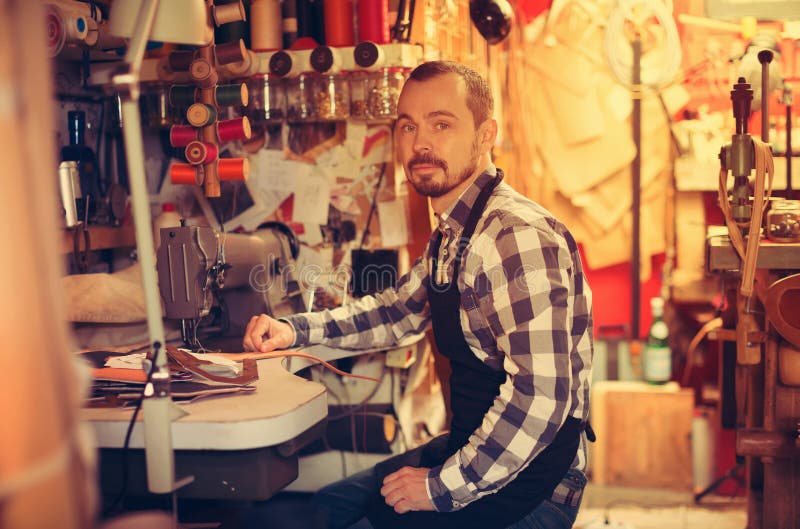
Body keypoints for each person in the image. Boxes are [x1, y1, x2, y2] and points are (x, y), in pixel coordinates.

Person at [243, 61, 594, 529]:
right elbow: (396, 313)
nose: (420, 143)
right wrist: (292, 331)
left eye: (441, 124)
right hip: (479, 448)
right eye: (408, 125)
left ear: (485, 134)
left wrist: (438, 486)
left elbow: (541, 396)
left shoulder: (514, 237)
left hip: (536, 487)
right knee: (323, 510)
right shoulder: (455, 232)